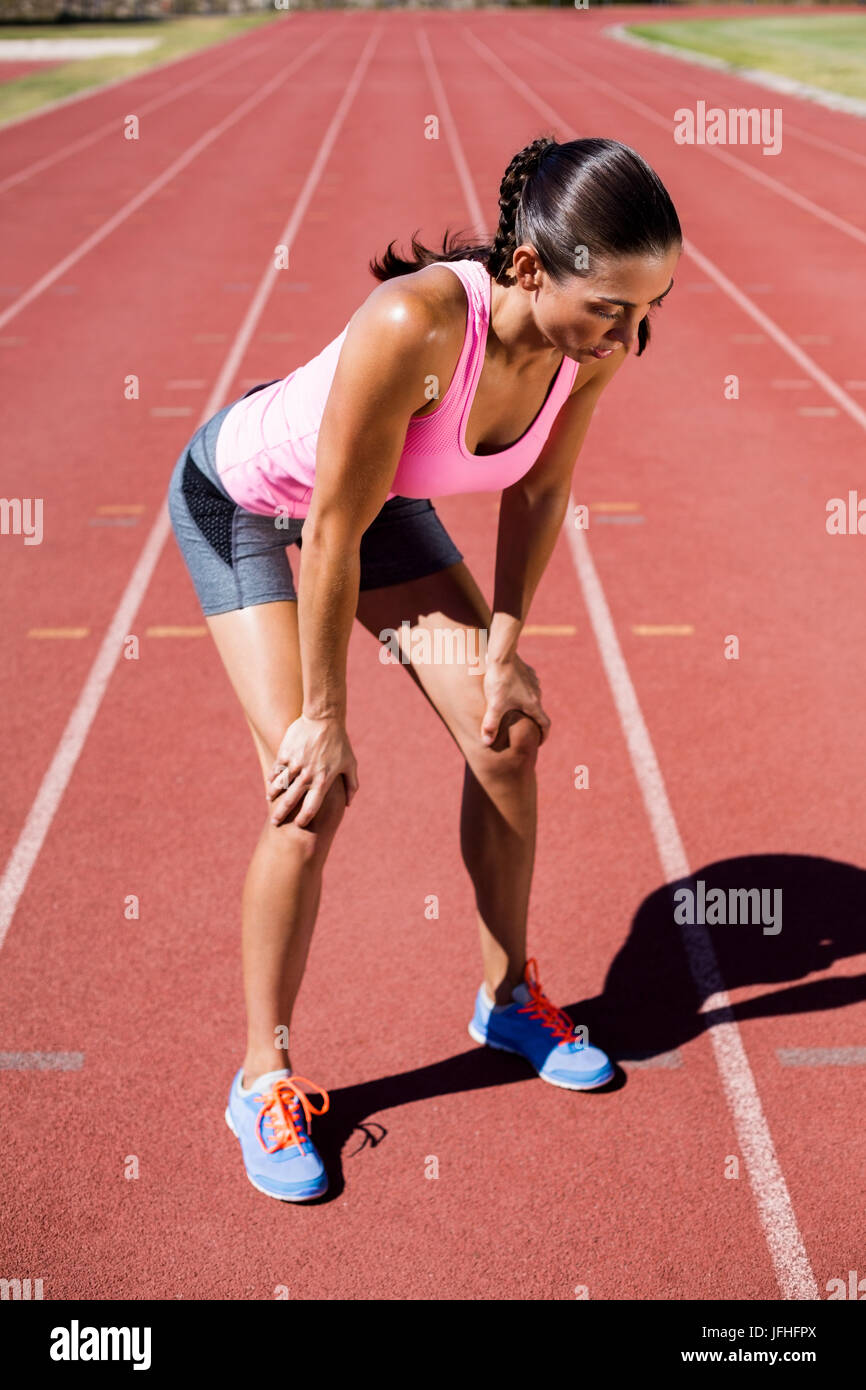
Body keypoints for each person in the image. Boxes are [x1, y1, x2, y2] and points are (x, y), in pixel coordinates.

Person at [167, 135, 683, 1201]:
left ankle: (505, 996)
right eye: (613, 311)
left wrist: (500, 648)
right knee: (312, 791)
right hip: (254, 506)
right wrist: (322, 715)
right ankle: (261, 1074)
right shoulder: (415, 322)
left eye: (649, 312)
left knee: (509, 732)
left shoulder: (584, 352)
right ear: (533, 270)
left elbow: (536, 493)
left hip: (368, 494)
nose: (631, 340)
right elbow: (335, 530)